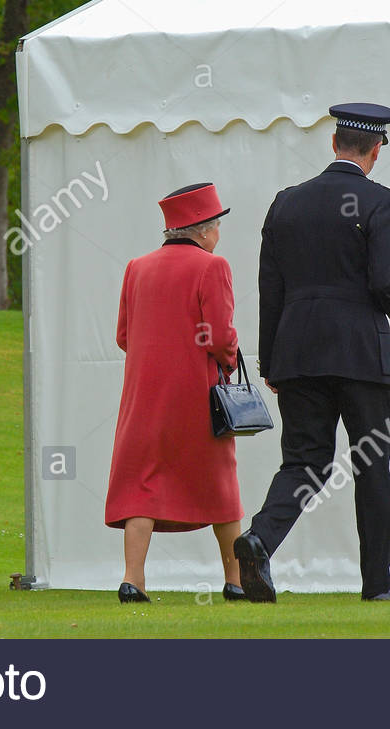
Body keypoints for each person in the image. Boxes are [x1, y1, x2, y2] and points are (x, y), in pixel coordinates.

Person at [234, 103, 390, 603]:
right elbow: (384, 283)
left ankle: (259, 540)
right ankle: (377, 584)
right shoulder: (383, 201)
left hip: (298, 352)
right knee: (372, 466)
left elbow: (268, 289)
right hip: (362, 353)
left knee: (303, 463)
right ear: (376, 150)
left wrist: (271, 360)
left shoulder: (284, 203)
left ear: (333, 143)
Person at [106, 183, 245, 603]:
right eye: (216, 224)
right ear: (202, 230)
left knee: (142, 485)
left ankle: (133, 579)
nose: (219, 232)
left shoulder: (137, 267)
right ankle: (236, 581)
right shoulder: (212, 266)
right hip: (196, 395)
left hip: (144, 395)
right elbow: (220, 337)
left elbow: (123, 336)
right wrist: (230, 355)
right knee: (221, 485)